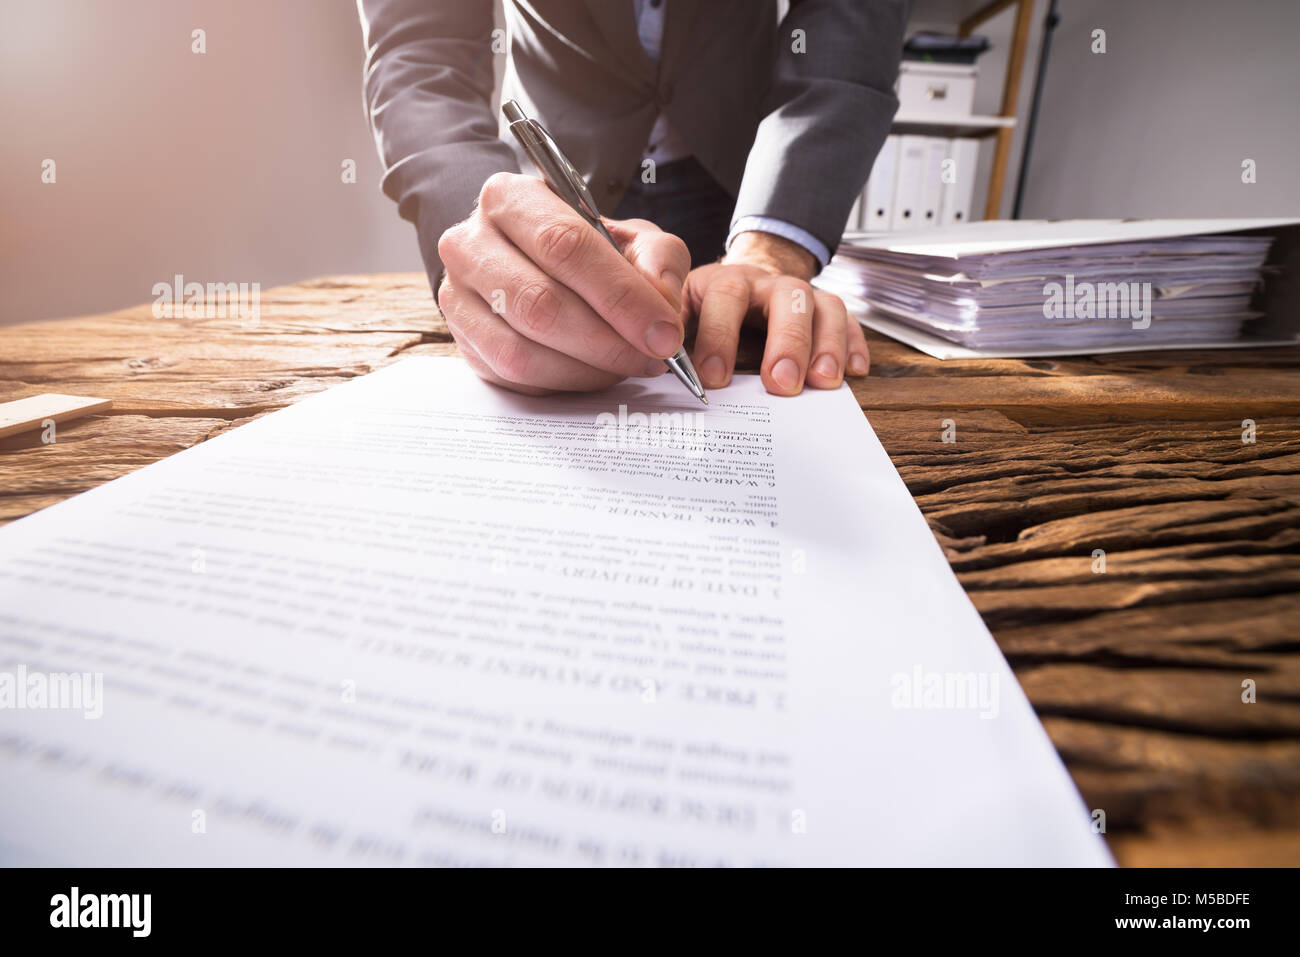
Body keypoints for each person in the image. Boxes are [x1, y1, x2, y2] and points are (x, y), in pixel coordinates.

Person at [358, 0, 907, 396]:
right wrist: (479, 227)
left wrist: (770, 248)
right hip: (554, 193)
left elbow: (846, 31)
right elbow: (422, 53)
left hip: (740, 185)